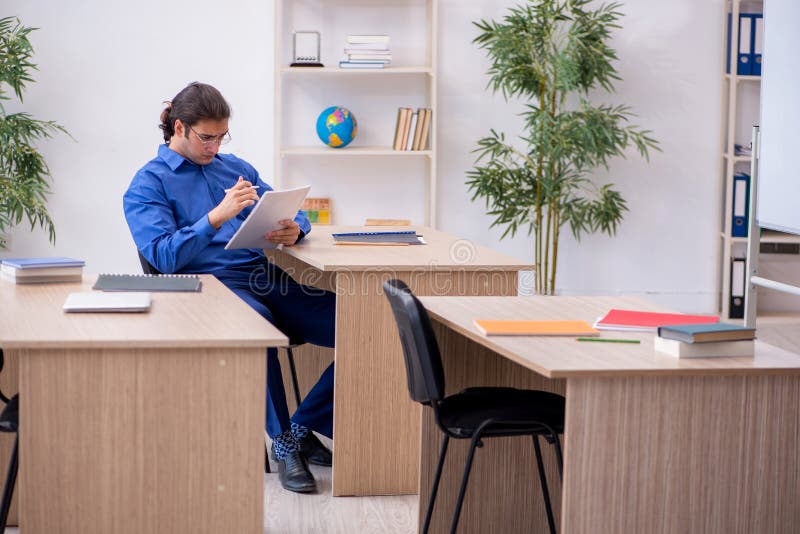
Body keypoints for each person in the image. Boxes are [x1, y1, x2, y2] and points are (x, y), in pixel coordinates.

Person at [123, 81, 333, 494]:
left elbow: (288, 209)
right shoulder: (148, 184)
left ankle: (303, 424)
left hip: (261, 277)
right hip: (204, 289)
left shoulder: (233, 167)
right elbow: (163, 256)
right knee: (256, 325)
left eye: (221, 137)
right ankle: (286, 446)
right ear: (179, 128)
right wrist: (215, 217)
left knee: (371, 327)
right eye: (206, 137)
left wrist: (295, 228)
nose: (214, 147)